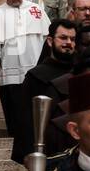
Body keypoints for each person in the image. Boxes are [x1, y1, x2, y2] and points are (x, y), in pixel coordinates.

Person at [0, 0, 48, 138]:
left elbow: (47, 35)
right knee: (14, 102)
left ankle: (37, 133)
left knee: (34, 101)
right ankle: (16, 134)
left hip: (35, 64)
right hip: (10, 65)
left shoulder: (35, 9)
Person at [10, 17, 79, 163]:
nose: (68, 43)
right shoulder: (36, 76)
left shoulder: (81, 72)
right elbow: (25, 119)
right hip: (48, 150)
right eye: (63, 38)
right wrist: (27, 155)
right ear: (49, 41)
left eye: (72, 39)